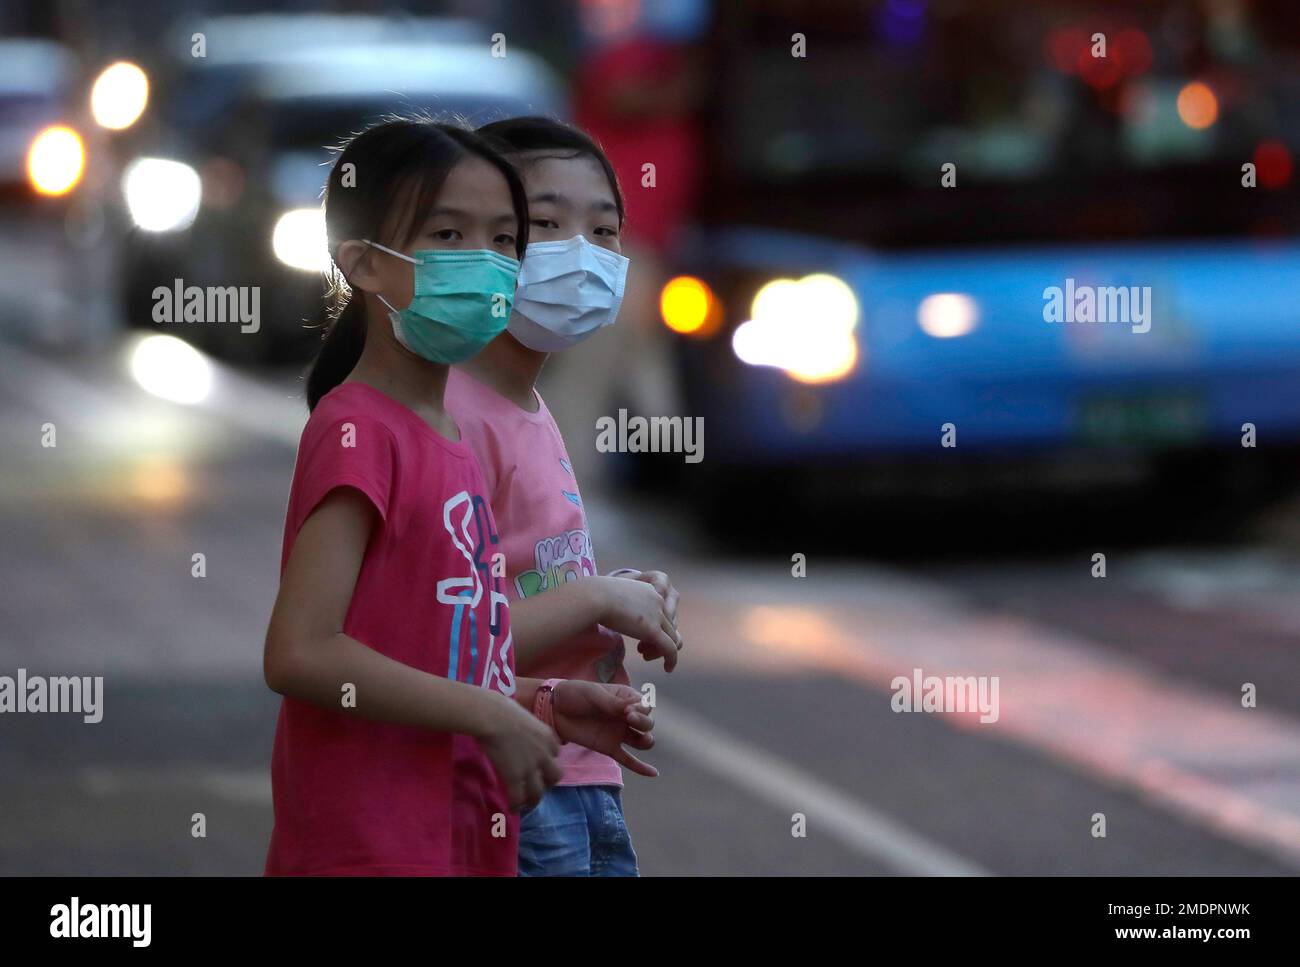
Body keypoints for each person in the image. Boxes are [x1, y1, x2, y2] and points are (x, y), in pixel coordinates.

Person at [262, 117, 654, 877]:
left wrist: (539, 702)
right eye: (449, 236)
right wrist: (488, 712)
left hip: (460, 830)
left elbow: (444, 650)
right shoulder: (357, 429)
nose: (486, 262)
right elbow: (301, 650)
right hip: (370, 843)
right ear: (364, 264)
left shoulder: (446, 432)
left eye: (506, 240)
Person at [443, 116, 684, 876]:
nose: (582, 251)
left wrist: (618, 594)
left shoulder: (529, 404)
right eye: (545, 223)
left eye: (605, 228)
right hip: (513, 780)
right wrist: (596, 601)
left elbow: (528, 576)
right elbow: (443, 645)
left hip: (581, 773)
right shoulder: (452, 416)